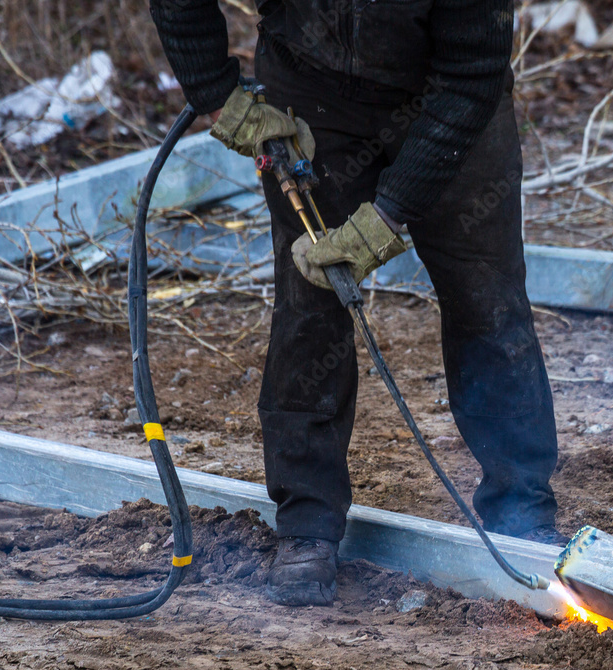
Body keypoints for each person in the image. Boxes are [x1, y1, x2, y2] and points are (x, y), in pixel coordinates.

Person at [149, 0, 567, 607]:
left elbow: (472, 72)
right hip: (310, 95)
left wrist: (387, 217)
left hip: (450, 101)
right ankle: (307, 525)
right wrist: (217, 94)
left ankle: (522, 514)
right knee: (309, 303)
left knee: (489, 301)